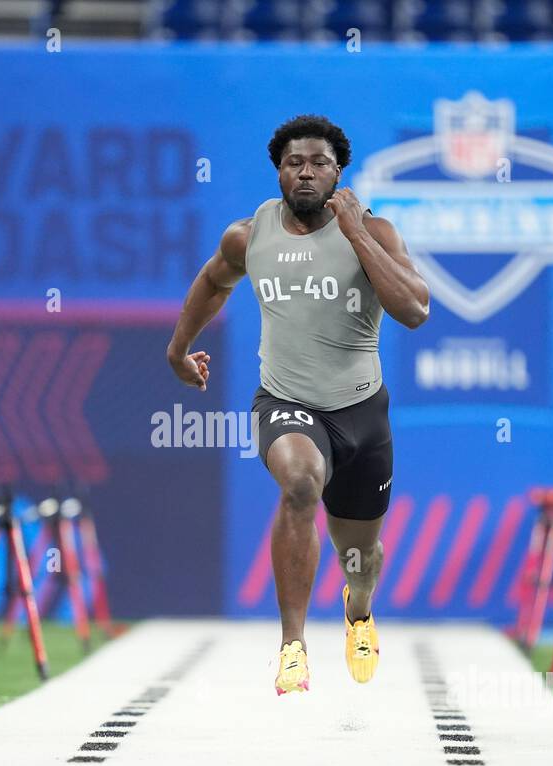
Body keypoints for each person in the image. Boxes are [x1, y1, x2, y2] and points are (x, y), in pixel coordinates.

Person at [165, 115, 429, 695]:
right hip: (286, 402)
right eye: (294, 163)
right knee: (301, 483)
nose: (306, 172)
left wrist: (356, 232)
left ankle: (358, 611)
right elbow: (214, 281)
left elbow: (414, 310)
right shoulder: (249, 234)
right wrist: (180, 349)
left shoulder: (376, 232)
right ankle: (293, 646)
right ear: (279, 171)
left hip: (362, 414)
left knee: (360, 558)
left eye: (318, 163)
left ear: (339, 172)